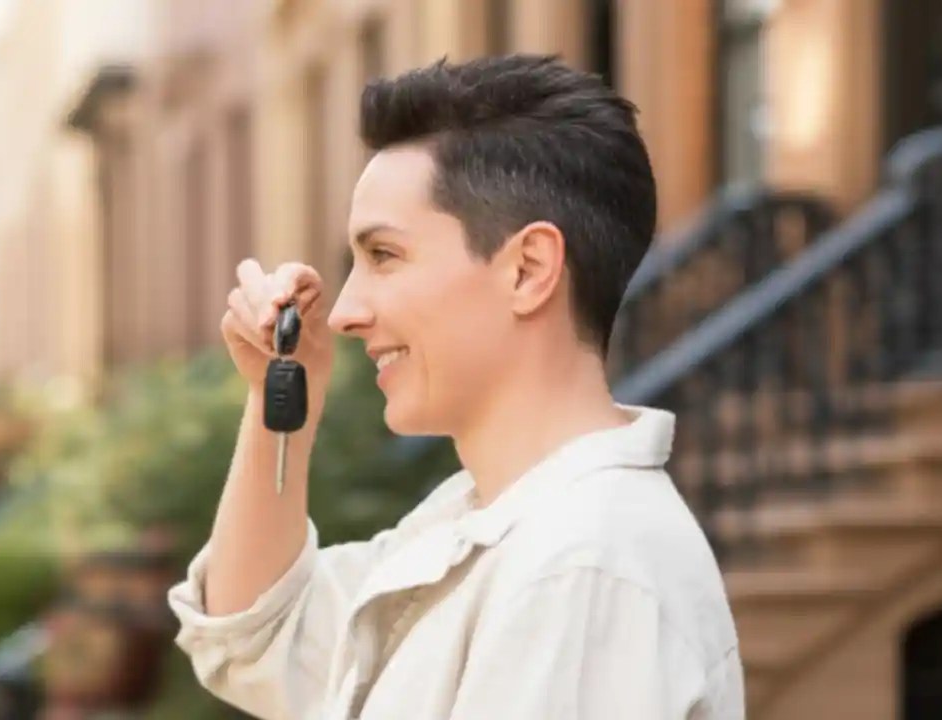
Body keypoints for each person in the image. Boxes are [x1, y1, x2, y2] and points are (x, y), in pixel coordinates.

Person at [167, 54, 744, 719]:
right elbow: (254, 633)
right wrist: (282, 399)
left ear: (527, 269)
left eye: (383, 255)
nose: (347, 310)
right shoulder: (480, 527)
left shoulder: (581, 565)